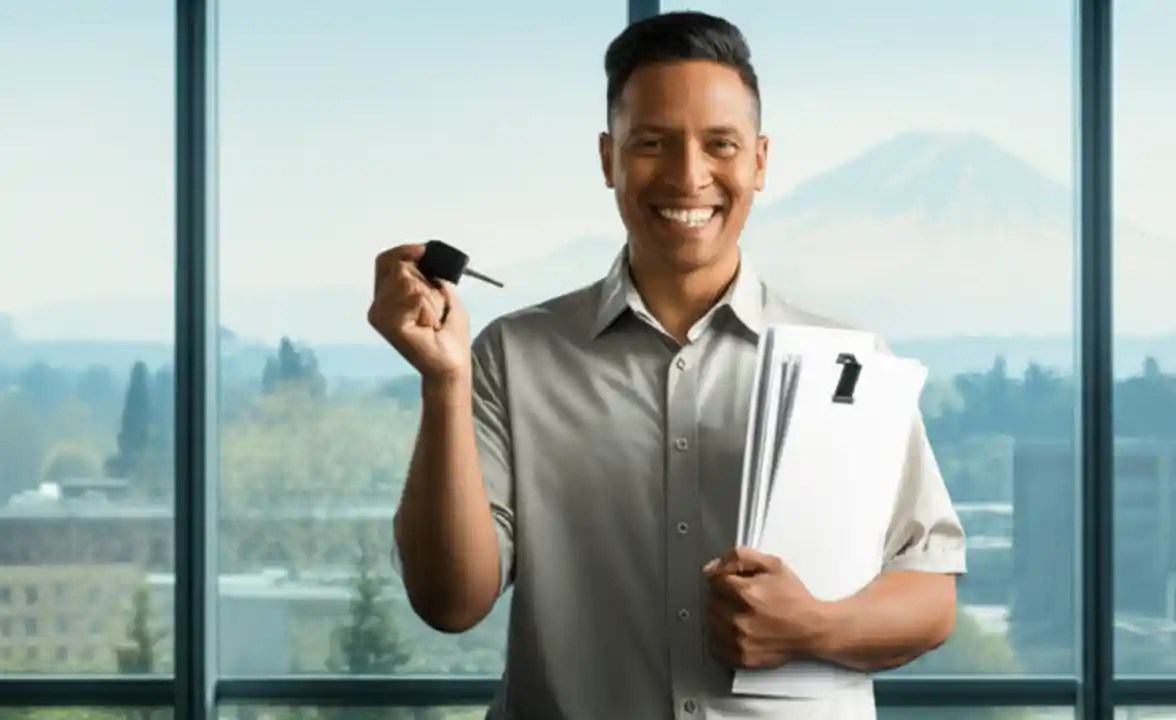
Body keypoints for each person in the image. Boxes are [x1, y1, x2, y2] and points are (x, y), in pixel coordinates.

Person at [368, 10, 966, 720]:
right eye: (652, 143)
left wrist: (812, 626)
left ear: (760, 161)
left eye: (721, 145)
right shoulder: (511, 356)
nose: (688, 176)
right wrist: (444, 381)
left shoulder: (850, 363)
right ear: (608, 159)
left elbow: (929, 594)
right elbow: (450, 602)